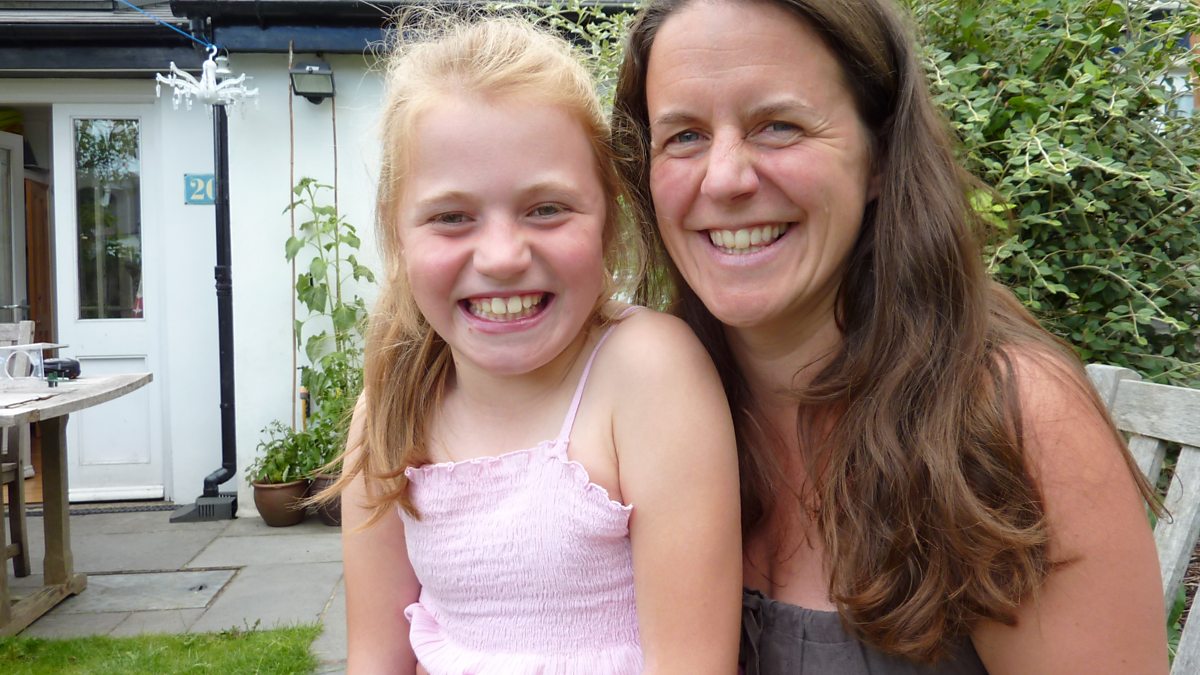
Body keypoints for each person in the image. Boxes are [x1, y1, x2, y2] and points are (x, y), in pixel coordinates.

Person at [612, 0, 1168, 672]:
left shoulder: (1010, 423)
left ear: (878, 156)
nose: (725, 178)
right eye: (685, 136)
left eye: (779, 126)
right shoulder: (630, 409)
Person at [329, 15, 742, 675]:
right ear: (397, 232)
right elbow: (376, 658)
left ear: (608, 217)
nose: (501, 256)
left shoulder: (646, 374)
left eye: (546, 208)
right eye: (452, 217)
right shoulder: (389, 408)